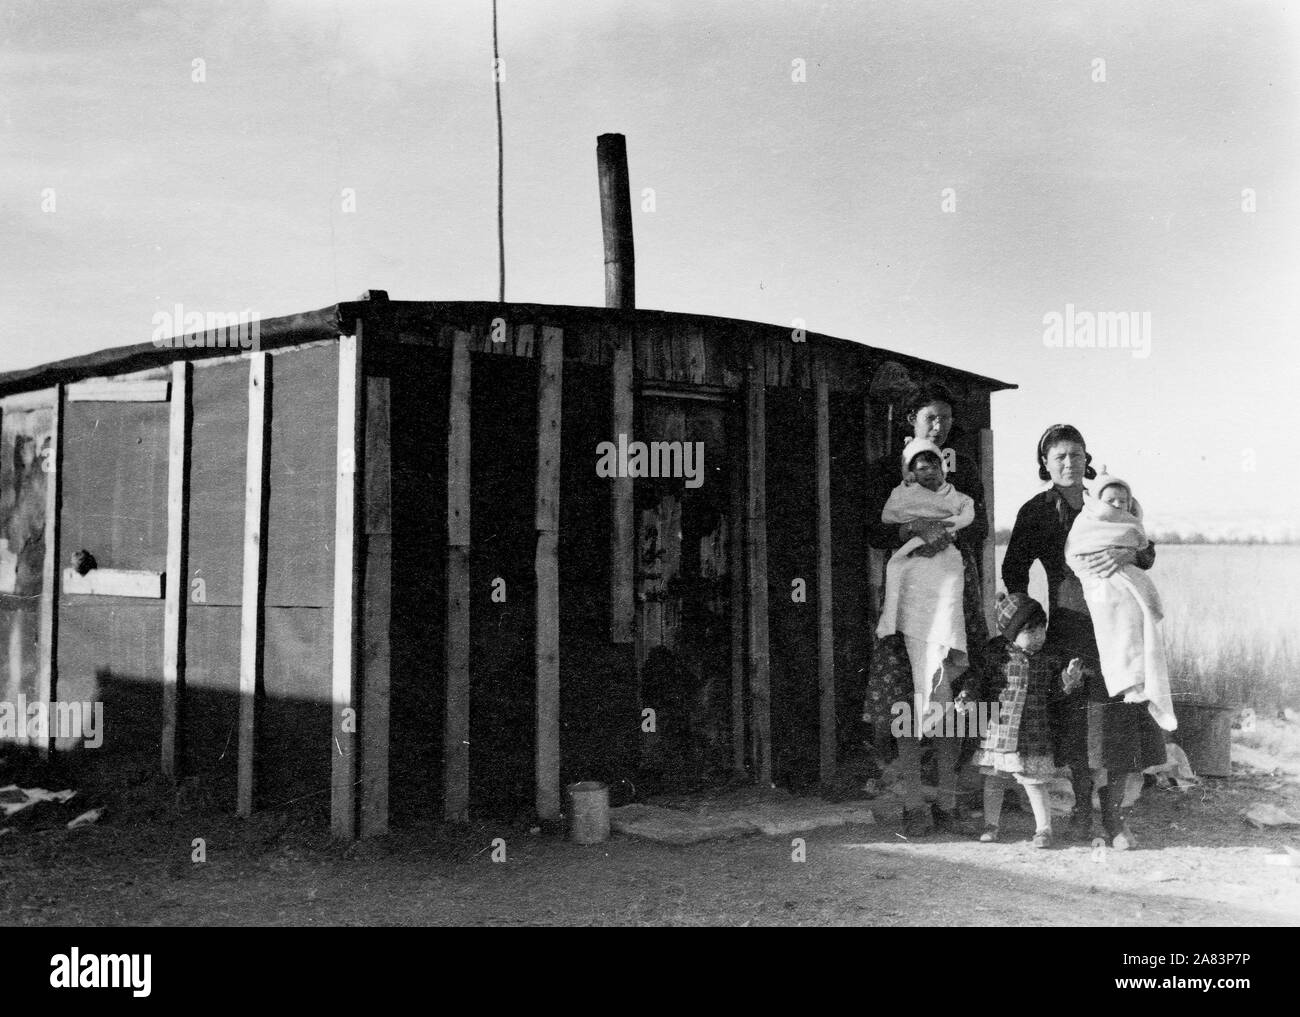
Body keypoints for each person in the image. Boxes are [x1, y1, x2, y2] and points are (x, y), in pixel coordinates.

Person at [1002, 425, 1166, 850]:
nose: (1070, 463)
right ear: (1045, 464)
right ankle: (1080, 812)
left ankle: (1113, 818)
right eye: (1060, 457)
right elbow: (1013, 569)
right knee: (1079, 717)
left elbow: (1145, 546)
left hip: (1118, 622)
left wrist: (1129, 553)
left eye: (1076, 455)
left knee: (1119, 712)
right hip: (1072, 620)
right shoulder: (1036, 510)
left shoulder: (1106, 498)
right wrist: (1026, 622)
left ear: (1087, 457)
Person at [863, 384, 988, 837]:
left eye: (947, 419)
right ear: (911, 420)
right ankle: (914, 800)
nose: (941, 427)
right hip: (910, 591)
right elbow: (870, 528)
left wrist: (948, 533)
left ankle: (949, 801)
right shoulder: (887, 471)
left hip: (954, 591)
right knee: (906, 696)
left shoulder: (963, 469)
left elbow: (982, 524)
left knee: (955, 696)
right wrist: (912, 530)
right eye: (931, 418)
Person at [1065, 472, 1177, 732]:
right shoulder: (1086, 519)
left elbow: (1144, 551)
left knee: (1134, 633)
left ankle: (1141, 684)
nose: (1117, 506)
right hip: (1094, 594)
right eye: (1111, 500)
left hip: (1126, 586)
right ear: (1097, 501)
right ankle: (1128, 681)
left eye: (1123, 501)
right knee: (1114, 639)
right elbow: (1076, 553)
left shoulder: (1131, 523)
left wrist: (1130, 554)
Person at [970, 592, 1083, 848]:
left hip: (1034, 731)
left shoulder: (1049, 657)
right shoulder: (995, 653)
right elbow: (978, 680)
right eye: (1030, 632)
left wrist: (1068, 678)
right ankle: (991, 824)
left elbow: (1055, 693)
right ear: (1011, 633)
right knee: (995, 779)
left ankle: (1044, 829)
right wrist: (968, 695)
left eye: (1042, 630)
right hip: (1000, 729)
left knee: (1034, 781)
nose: (1039, 637)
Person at [876, 437, 975, 728]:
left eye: (935, 467)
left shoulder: (952, 495)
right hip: (914, 562)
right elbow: (888, 517)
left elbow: (968, 514)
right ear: (910, 473)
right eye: (921, 468)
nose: (930, 473)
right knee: (917, 636)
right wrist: (916, 530)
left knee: (947, 618)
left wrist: (948, 531)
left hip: (946, 559)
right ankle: (925, 709)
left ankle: (944, 662)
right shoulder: (903, 493)